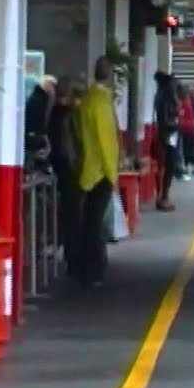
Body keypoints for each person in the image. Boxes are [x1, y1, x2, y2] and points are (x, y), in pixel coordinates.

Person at [74, 57, 119, 288]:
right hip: (101, 173)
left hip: (87, 170)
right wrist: (113, 172)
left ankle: (86, 268)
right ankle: (95, 269)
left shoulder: (86, 101)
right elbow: (106, 141)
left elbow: (82, 135)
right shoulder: (102, 103)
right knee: (96, 225)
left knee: (89, 221)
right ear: (109, 74)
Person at [48, 78, 82, 275]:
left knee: (68, 215)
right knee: (74, 216)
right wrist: (75, 166)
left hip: (60, 168)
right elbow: (68, 146)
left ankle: (71, 256)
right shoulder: (67, 116)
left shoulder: (53, 113)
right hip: (69, 171)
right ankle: (74, 259)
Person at [152, 71, 180, 212]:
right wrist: (177, 123)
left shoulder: (164, 97)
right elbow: (165, 121)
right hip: (168, 135)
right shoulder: (164, 99)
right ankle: (163, 197)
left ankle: (164, 196)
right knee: (167, 166)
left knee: (169, 166)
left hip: (169, 135)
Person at [178, 84, 194, 178]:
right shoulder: (191, 102)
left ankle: (187, 167)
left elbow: (181, 116)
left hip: (186, 128)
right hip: (192, 127)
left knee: (186, 148)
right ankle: (193, 167)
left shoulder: (183, 103)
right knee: (193, 147)